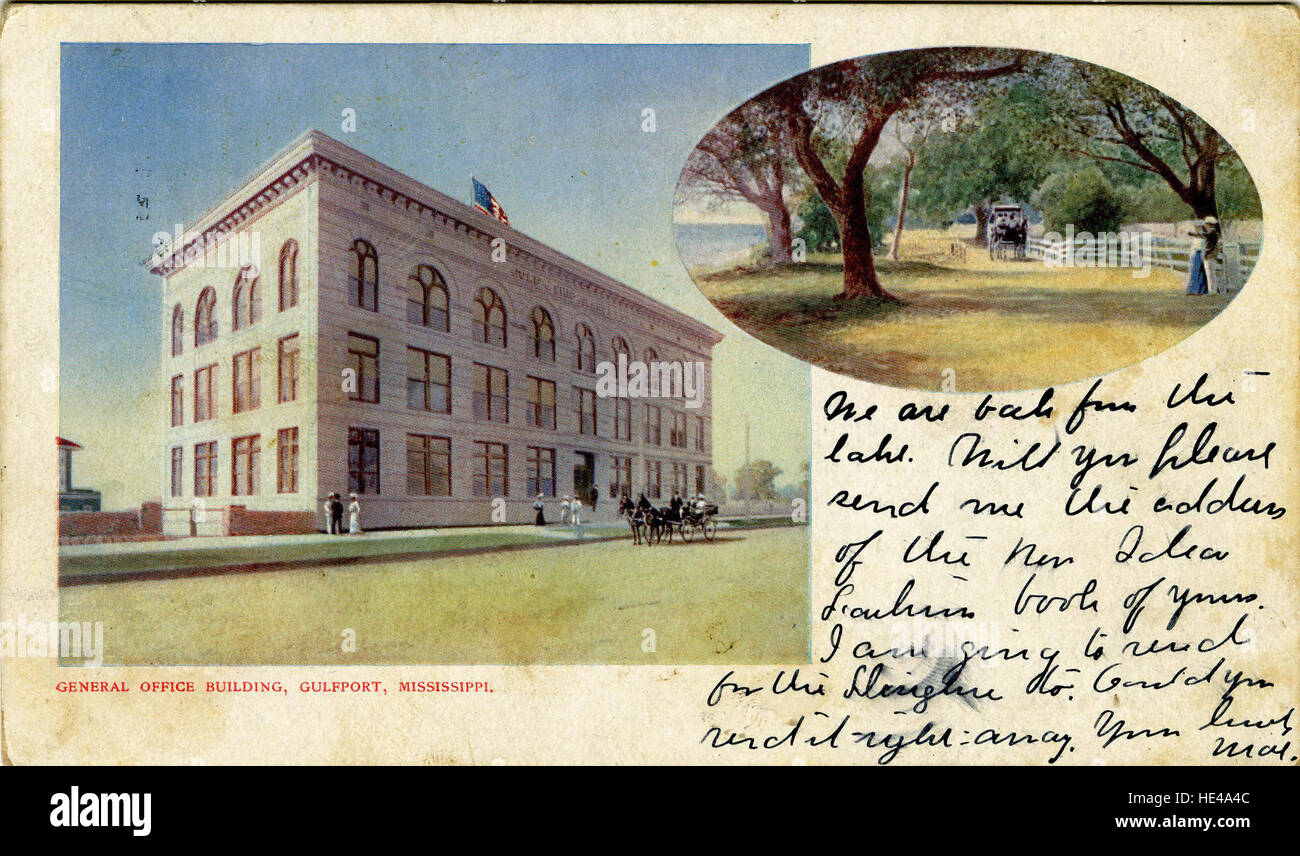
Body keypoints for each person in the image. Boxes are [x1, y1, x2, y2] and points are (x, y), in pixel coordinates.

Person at [1186, 216, 1221, 295]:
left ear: (1209, 224)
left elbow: (1203, 235)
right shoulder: (1213, 233)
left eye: (1206, 224)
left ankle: (1212, 291)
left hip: (1209, 256)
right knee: (1210, 274)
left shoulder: (1211, 233)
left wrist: (1192, 234)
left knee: (1210, 274)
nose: (1205, 226)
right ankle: (1212, 290)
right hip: (1210, 256)